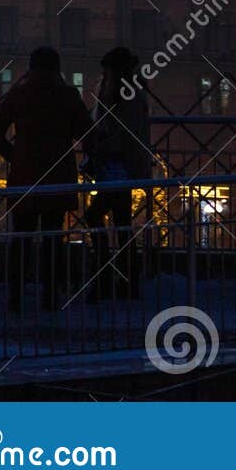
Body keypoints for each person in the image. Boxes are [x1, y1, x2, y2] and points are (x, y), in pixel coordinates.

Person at [0, 47, 90, 312]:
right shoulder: (67, 95)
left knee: (21, 237)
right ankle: (50, 295)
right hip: (57, 175)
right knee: (53, 238)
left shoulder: (19, 94)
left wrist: (13, 155)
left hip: (25, 176)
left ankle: (16, 296)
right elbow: (86, 131)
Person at [82, 48, 151, 300]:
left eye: (107, 72)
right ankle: (125, 280)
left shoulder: (125, 97)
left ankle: (105, 278)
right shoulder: (127, 94)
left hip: (118, 165)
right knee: (121, 223)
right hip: (120, 165)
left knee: (95, 215)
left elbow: (123, 135)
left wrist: (98, 146)